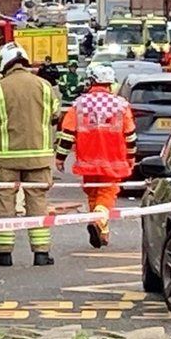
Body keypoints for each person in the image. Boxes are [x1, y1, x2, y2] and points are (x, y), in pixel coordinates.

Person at [0, 43, 58, 267]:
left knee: (5, 204)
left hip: (6, 158)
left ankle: (3, 253)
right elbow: (55, 116)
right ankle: (41, 253)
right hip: (39, 158)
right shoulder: (45, 86)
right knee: (38, 204)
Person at [55, 65, 137, 248]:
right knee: (107, 194)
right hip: (114, 160)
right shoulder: (121, 105)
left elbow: (67, 134)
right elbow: (130, 135)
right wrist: (131, 157)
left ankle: (102, 232)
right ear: (110, 84)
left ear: (91, 81)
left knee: (93, 193)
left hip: (87, 161)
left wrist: (60, 158)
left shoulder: (79, 105)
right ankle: (99, 221)